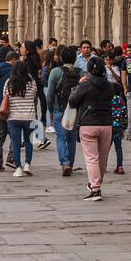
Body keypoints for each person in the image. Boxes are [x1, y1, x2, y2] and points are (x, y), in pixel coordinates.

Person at [67, 55, 115, 201]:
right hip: (106, 124)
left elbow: (72, 102)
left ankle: (95, 189)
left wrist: (77, 86)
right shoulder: (109, 86)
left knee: (92, 158)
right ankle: (96, 183)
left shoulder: (85, 84)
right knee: (102, 158)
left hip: (88, 124)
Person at [48, 46, 82, 176]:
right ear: (74, 58)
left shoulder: (55, 72)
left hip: (59, 109)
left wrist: (50, 109)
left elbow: (50, 94)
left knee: (61, 137)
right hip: (74, 109)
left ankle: (65, 162)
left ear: (61, 58)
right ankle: (70, 164)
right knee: (72, 137)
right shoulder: (81, 72)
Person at [1, 58, 39, 177]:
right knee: (29, 142)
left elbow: (5, 97)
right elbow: (34, 96)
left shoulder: (9, 83)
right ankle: (28, 164)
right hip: (29, 116)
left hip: (14, 117)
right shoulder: (32, 82)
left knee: (16, 143)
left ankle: (18, 168)